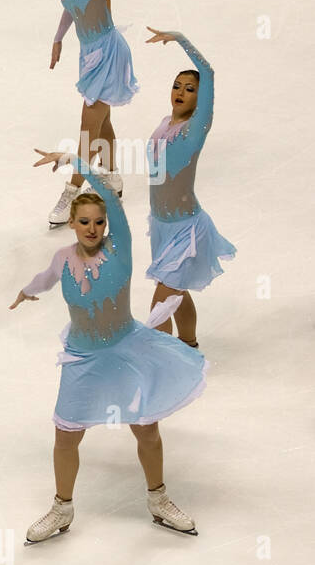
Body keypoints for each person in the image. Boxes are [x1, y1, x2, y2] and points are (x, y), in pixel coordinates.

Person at [11, 151, 206, 541]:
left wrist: (74, 161)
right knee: (66, 436)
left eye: (99, 222)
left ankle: (158, 499)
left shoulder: (120, 248)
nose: (93, 228)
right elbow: (45, 278)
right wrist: (26, 291)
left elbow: (110, 200)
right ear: (72, 222)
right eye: (84, 221)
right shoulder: (62, 258)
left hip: (127, 351)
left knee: (146, 429)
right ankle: (61, 509)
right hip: (82, 358)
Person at [12, 0, 137, 227]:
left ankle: (72, 191)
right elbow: (71, 6)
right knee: (101, 121)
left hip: (107, 53)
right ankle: (111, 176)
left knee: (87, 128)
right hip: (89, 53)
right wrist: (57, 39)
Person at [143, 28, 235, 346]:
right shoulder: (166, 123)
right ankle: (189, 347)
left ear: (200, 98)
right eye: (177, 86)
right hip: (161, 226)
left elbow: (207, 72)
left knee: (160, 304)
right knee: (176, 294)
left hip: (186, 231)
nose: (180, 92)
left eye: (190, 89)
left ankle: (166, 364)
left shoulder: (195, 129)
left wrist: (181, 39)